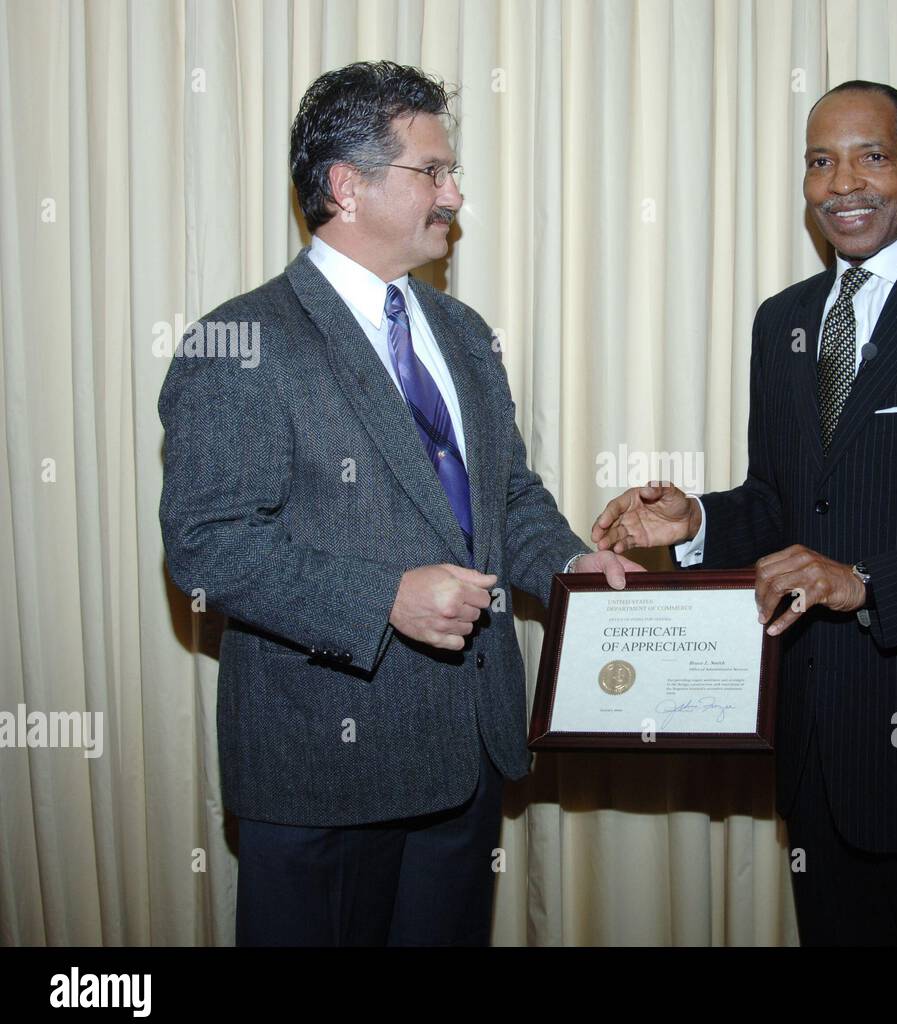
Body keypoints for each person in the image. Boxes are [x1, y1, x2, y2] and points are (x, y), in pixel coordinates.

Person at [593, 81, 897, 946]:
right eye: (821, 161)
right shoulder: (781, 322)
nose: (843, 182)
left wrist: (867, 583)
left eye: (871, 155)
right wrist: (698, 521)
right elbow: (787, 504)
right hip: (818, 755)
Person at [158, 60, 639, 946]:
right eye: (435, 171)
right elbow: (209, 543)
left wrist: (571, 564)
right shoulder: (240, 342)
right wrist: (384, 596)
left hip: (468, 756)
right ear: (347, 186)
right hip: (325, 776)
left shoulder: (461, 332)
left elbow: (506, 497)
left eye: (452, 172)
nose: (455, 193)